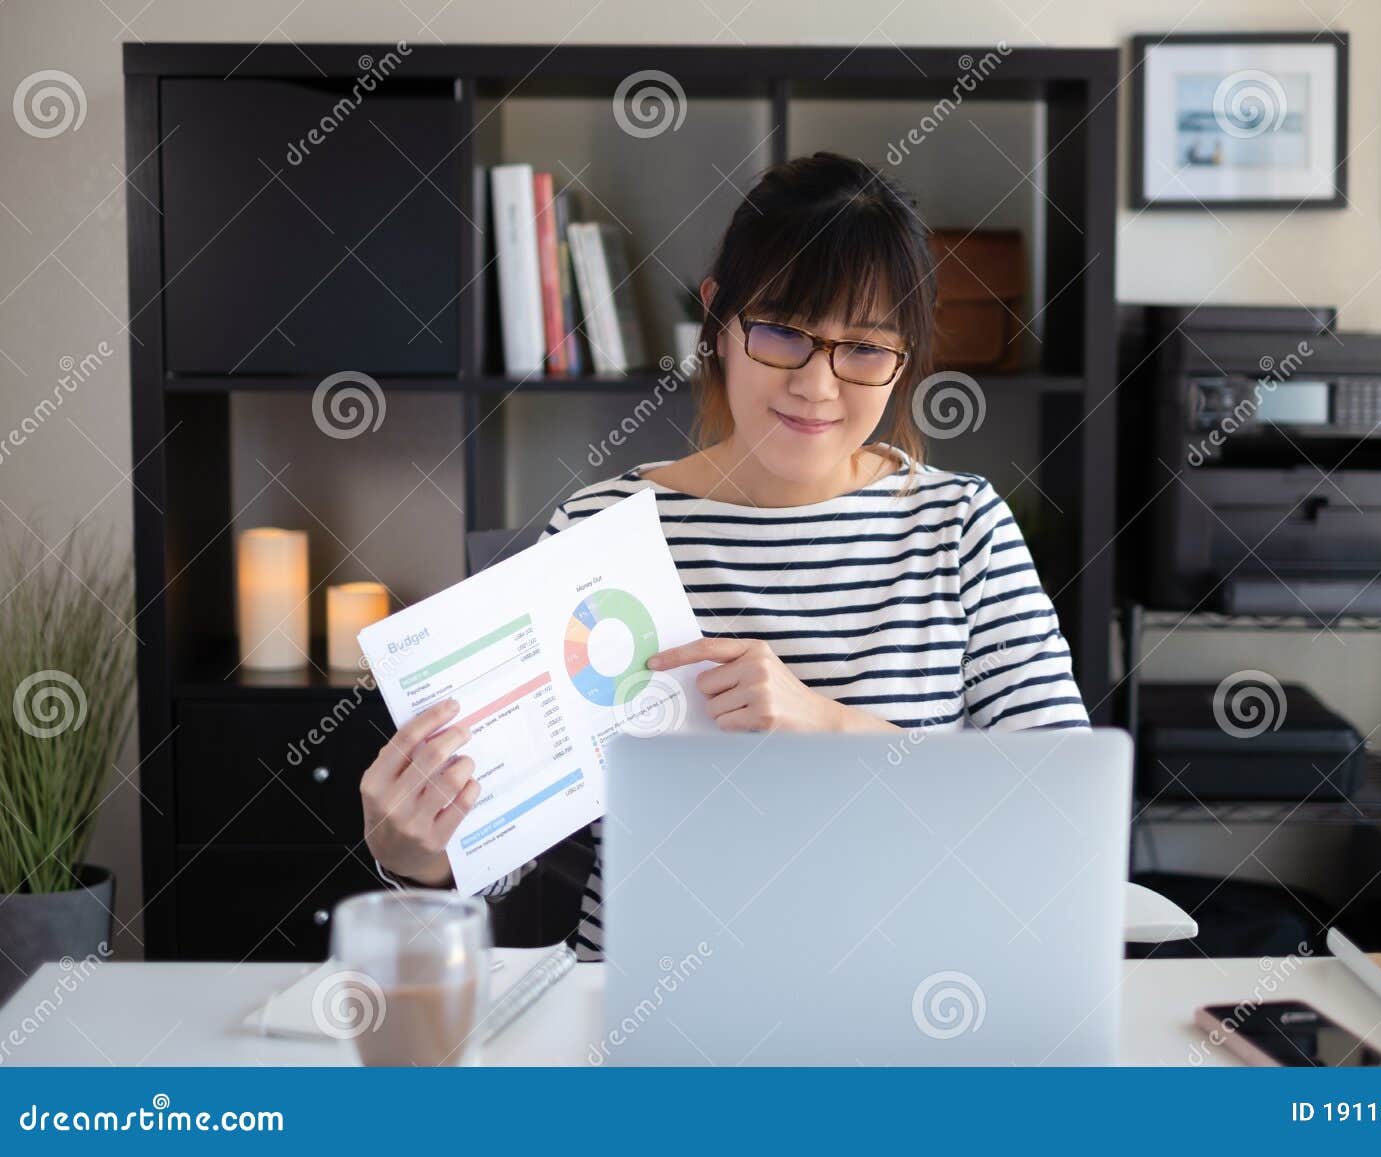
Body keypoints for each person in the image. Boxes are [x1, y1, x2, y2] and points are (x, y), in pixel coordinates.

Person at [359, 151, 1090, 960]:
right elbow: (501, 844)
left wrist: (829, 725)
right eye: (781, 331)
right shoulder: (602, 528)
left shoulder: (960, 528)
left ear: (907, 357)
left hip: (902, 1007)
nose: (817, 386)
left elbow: (1058, 821)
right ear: (718, 319)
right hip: (644, 1016)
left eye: (866, 348)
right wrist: (421, 850)